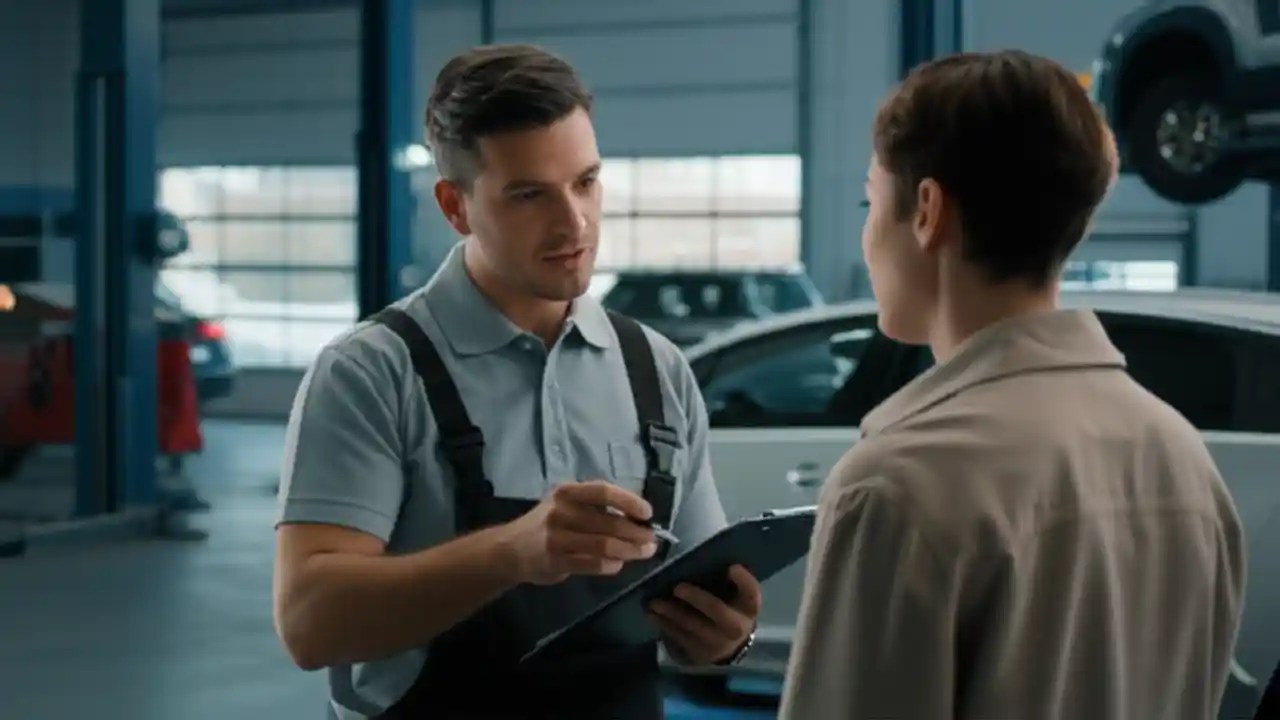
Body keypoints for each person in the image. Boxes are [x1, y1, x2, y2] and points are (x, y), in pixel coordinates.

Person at [271, 44, 762, 719]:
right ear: (455, 205)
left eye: (586, 182)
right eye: (529, 194)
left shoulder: (656, 368)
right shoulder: (372, 372)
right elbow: (310, 623)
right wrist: (513, 552)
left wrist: (726, 639)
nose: (574, 222)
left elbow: (696, 614)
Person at [780, 50, 1246, 719]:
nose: (865, 233)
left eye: (870, 200)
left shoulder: (897, 484)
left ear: (927, 210)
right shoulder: (1182, 459)